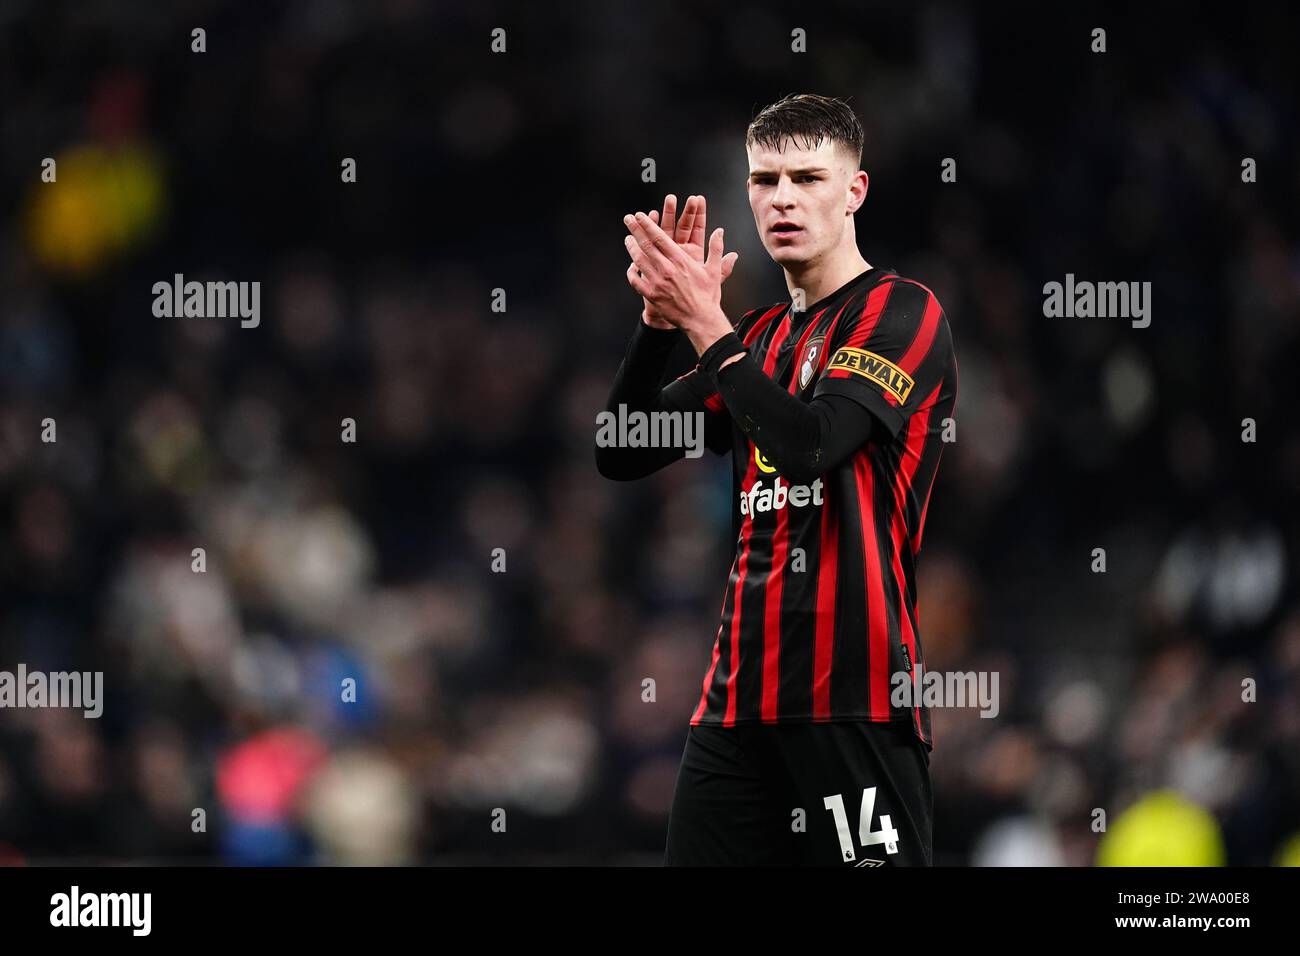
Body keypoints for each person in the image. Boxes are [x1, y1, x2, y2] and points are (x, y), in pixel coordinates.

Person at [596, 93, 957, 866]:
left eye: (808, 177)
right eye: (764, 179)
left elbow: (811, 443)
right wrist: (660, 326)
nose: (782, 197)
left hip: (854, 701)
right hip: (733, 709)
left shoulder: (903, 313)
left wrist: (705, 326)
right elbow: (621, 447)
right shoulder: (754, 336)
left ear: (854, 190)